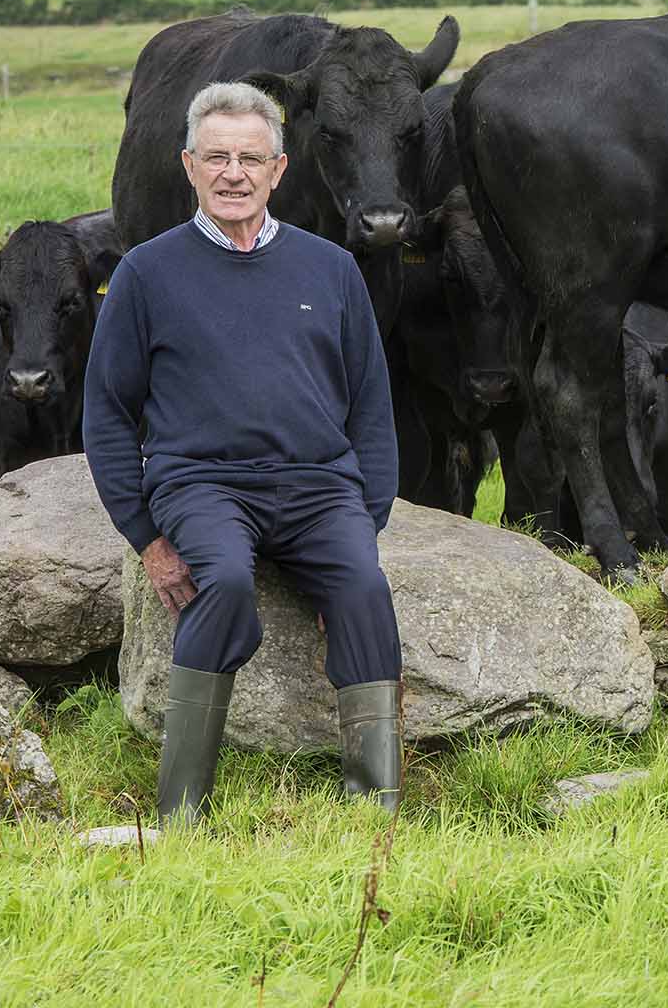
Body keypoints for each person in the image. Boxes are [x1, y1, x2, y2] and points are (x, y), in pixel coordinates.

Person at [84, 82, 402, 826]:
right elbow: (106, 412)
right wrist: (146, 539)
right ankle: (181, 812)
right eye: (217, 157)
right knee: (222, 581)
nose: (234, 173)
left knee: (362, 589)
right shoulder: (146, 274)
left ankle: (375, 812)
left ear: (278, 169)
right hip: (203, 483)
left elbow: (372, 407)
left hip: (319, 485)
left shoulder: (332, 269)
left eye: (251, 159)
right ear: (189, 166)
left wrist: (367, 522)